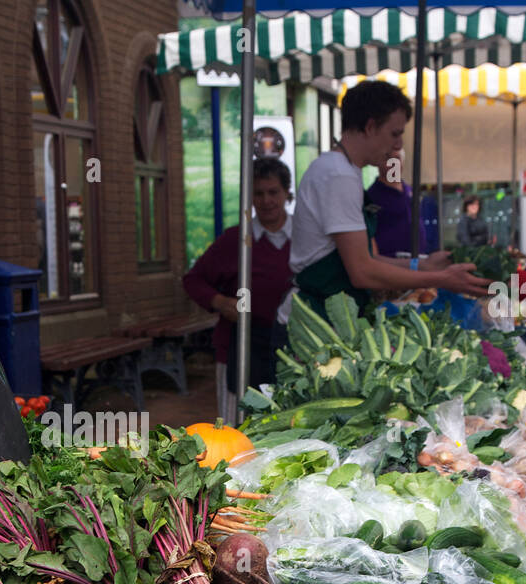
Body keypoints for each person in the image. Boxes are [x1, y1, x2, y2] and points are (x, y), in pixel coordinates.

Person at [278, 80, 488, 326]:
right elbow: (362, 271)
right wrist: (440, 278)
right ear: (370, 127)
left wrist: (421, 265)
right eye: (395, 133)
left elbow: (364, 257)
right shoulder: (338, 175)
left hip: (327, 317)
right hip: (312, 322)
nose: (398, 145)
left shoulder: (344, 170)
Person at [183, 157, 293, 422]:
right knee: (237, 424)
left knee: (286, 422)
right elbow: (193, 280)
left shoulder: (305, 236)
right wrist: (220, 302)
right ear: (249, 198)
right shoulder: (235, 239)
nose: (266, 200)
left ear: (287, 193)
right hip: (239, 346)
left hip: (291, 349)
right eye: (258, 193)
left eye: (273, 192)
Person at [365, 147, 426, 258]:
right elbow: (368, 232)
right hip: (391, 263)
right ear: (378, 163)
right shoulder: (372, 196)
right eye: (388, 159)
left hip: (417, 261)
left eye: (397, 158)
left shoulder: (409, 190)